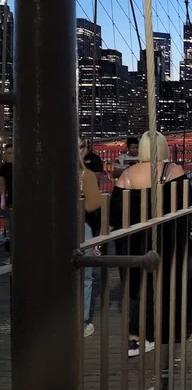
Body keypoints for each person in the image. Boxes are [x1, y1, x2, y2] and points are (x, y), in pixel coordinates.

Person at [110, 131, 188, 358]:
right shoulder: (173, 171)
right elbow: (186, 203)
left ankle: (135, 337)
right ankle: (154, 332)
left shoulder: (126, 175)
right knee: (160, 282)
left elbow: (115, 213)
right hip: (164, 234)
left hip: (131, 237)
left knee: (135, 284)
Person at [80, 144, 102, 337]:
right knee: (85, 274)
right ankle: (83, 320)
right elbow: (95, 203)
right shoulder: (83, 175)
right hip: (79, 226)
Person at [0, 144, 11, 251]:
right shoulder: (3, 168)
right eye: (7, 153)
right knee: (10, 230)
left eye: (11, 153)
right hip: (9, 202)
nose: (8, 156)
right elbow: (1, 186)